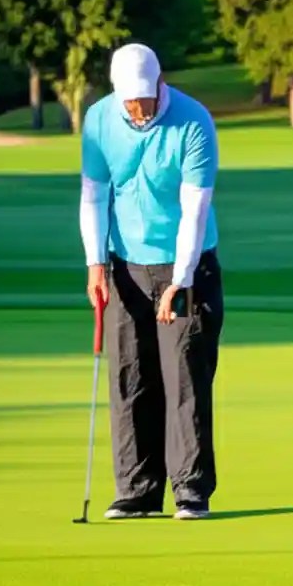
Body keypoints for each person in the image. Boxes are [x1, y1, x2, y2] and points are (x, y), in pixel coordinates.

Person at [78, 43, 225, 521]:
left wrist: (179, 280)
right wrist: (95, 264)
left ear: (161, 83)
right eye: (129, 101)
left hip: (187, 264)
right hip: (124, 265)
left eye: (145, 98)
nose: (139, 109)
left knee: (183, 378)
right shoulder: (100, 120)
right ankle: (137, 491)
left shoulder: (193, 121)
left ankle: (190, 491)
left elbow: (194, 210)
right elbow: (94, 196)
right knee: (130, 375)